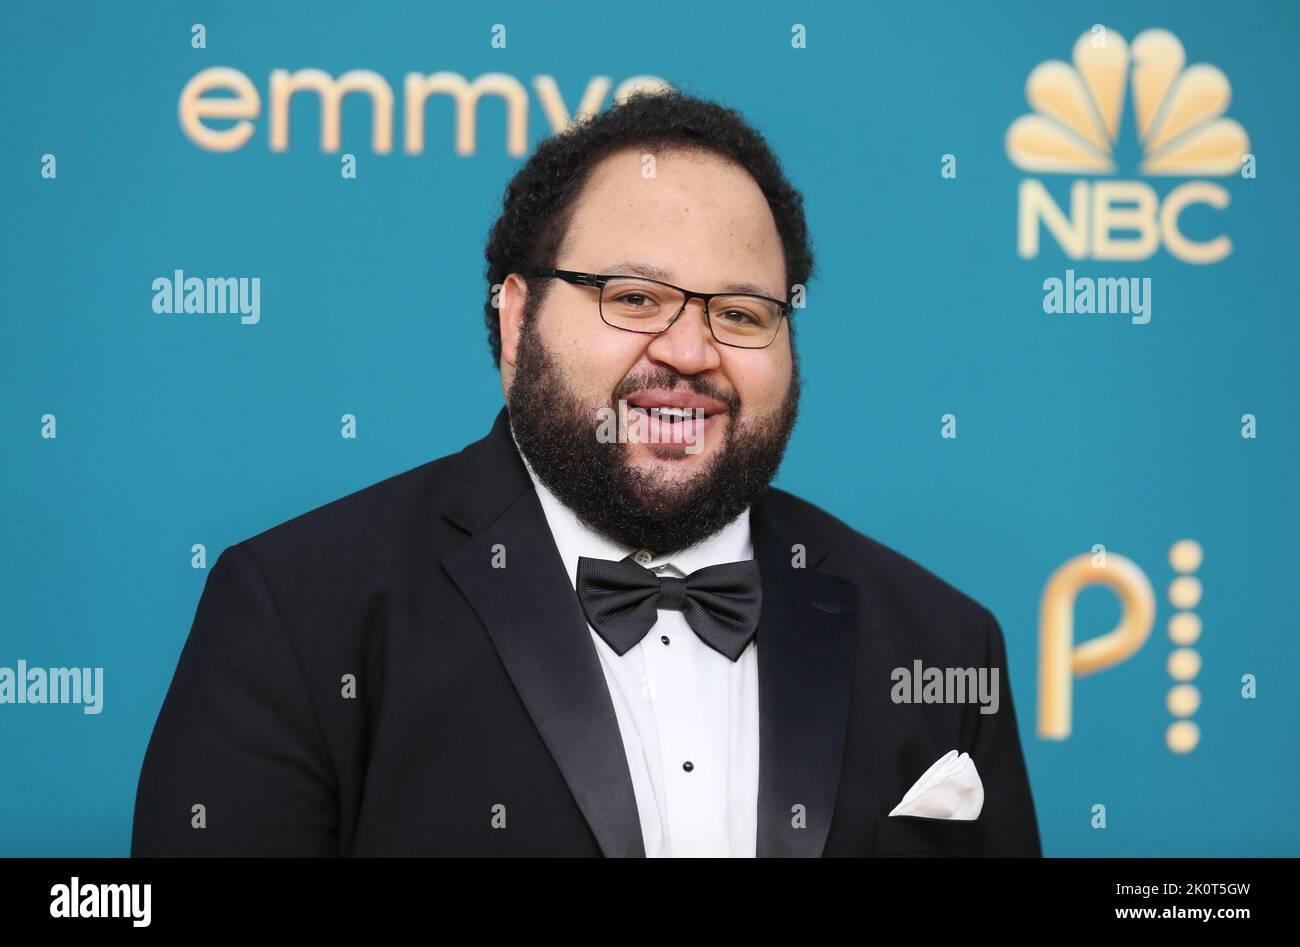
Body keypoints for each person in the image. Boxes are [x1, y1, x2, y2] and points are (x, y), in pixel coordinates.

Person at [132, 88, 1041, 857]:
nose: (689, 350)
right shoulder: (298, 613)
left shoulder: (945, 642)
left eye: (741, 311)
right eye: (634, 297)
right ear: (518, 320)